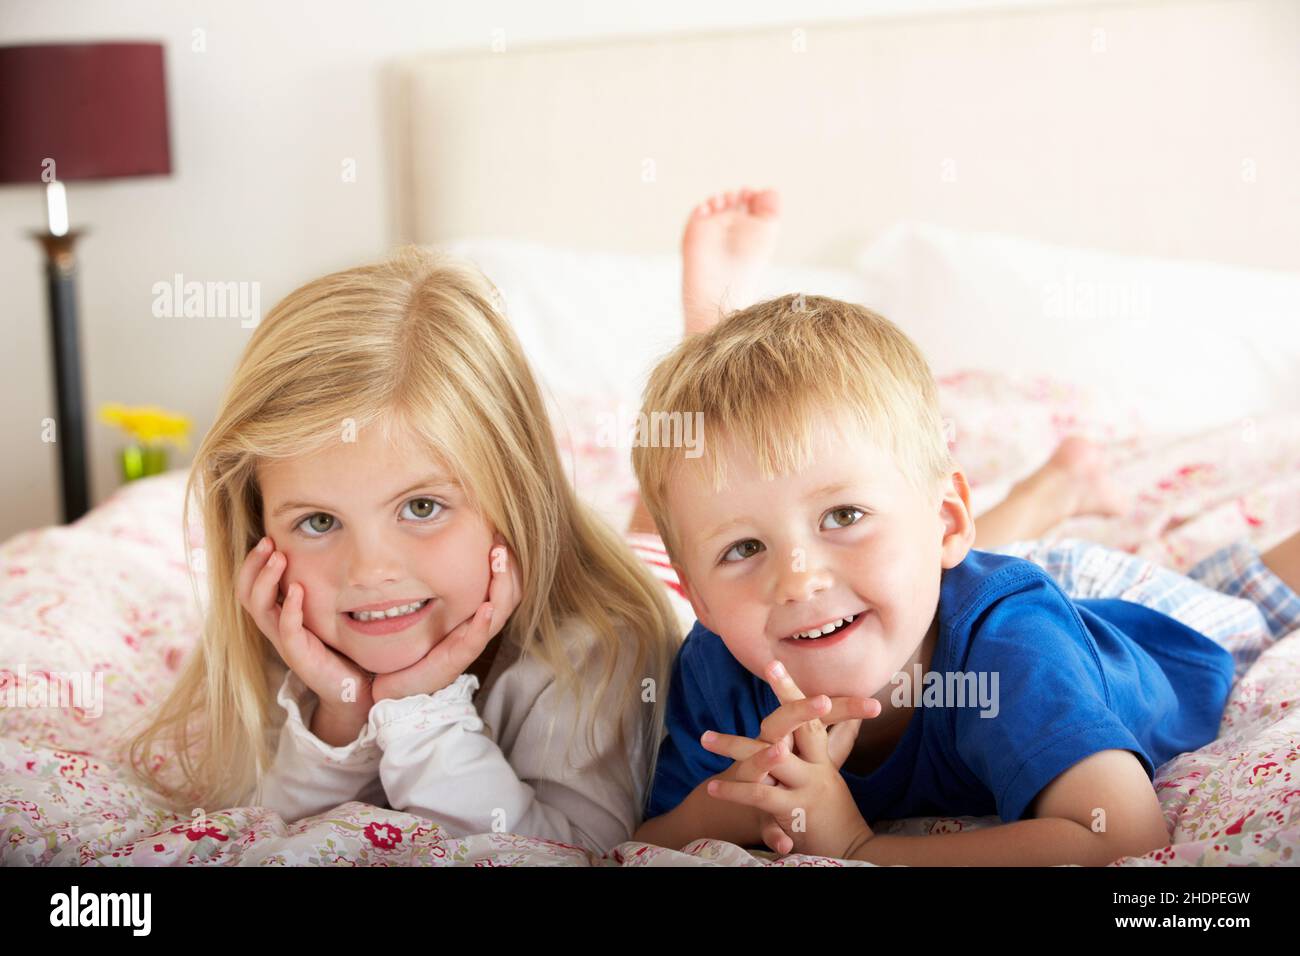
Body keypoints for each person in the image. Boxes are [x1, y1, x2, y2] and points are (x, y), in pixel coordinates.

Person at [626, 287, 1300, 865]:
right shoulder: (717, 671)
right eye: (743, 549)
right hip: (955, 587)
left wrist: (858, 847)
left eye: (843, 514)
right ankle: (1056, 488)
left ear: (947, 521)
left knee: (1246, 595)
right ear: (699, 601)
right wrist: (730, 807)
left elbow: (1119, 834)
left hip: (1144, 630)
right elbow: (650, 837)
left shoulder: (1010, 647)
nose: (798, 580)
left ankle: (1057, 491)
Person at [121, 248, 680, 855]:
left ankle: (697, 328)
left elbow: (570, 852)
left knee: (672, 507)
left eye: (421, 507)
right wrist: (341, 710)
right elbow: (277, 835)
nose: (370, 572)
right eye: (318, 520)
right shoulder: (291, 624)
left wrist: (418, 709)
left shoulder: (595, 647)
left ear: (518, 492)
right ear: (259, 531)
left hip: (658, 585)